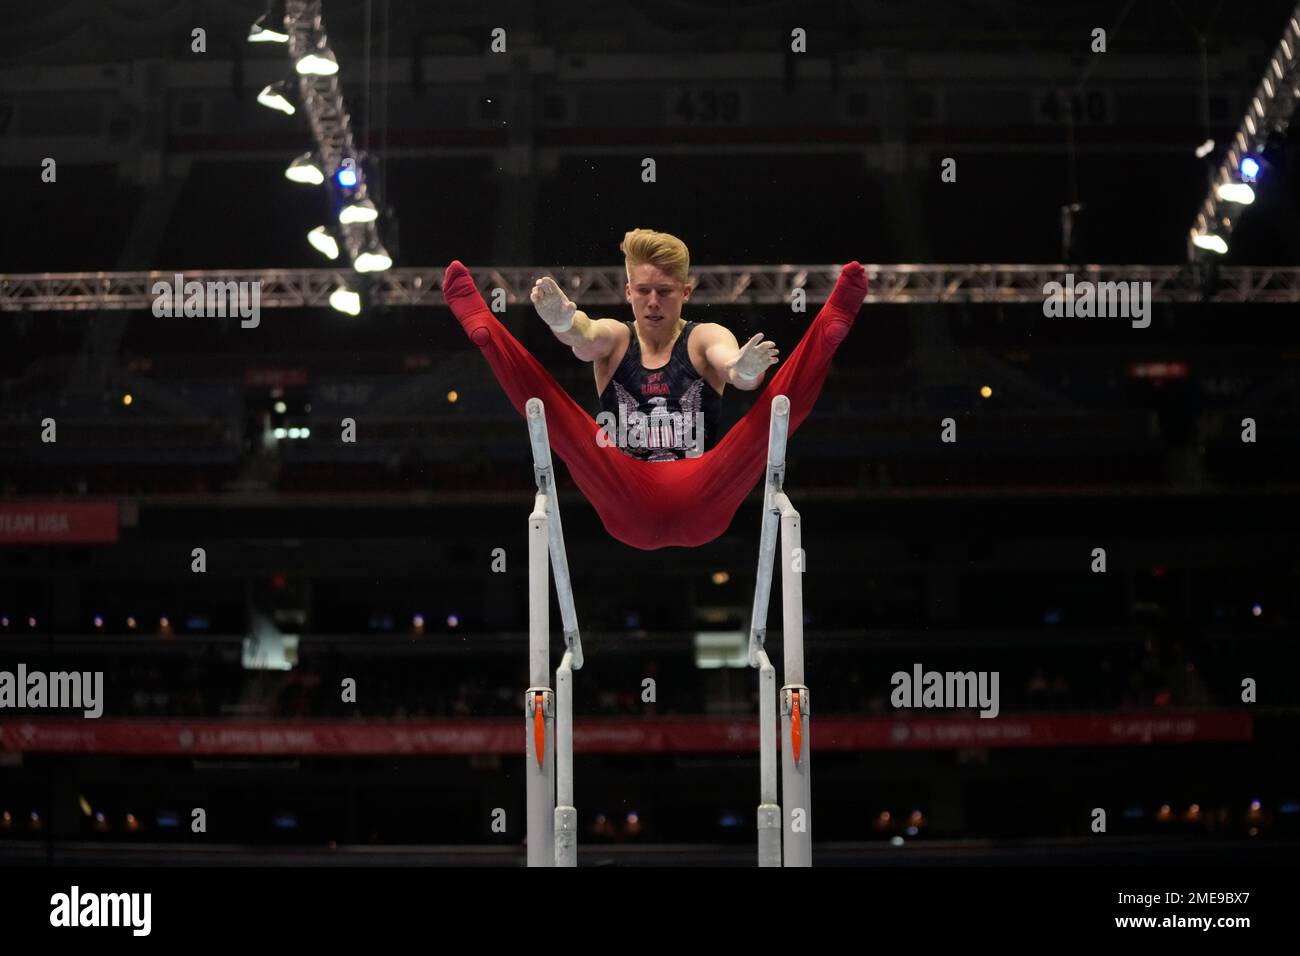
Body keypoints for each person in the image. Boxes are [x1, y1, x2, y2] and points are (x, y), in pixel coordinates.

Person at [441, 228, 867, 550]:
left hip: (704, 491)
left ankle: (827, 332)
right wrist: (562, 322)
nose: (652, 302)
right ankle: (485, 328)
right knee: (553, 413)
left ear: (686, 291)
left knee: (769, 420)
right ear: (627, 292)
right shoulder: (616, 336)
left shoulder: (704, 337)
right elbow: (586, 337)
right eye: (642, 291)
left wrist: (742, 369)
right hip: (623, 489)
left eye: (664, 292)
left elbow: (736, 369)